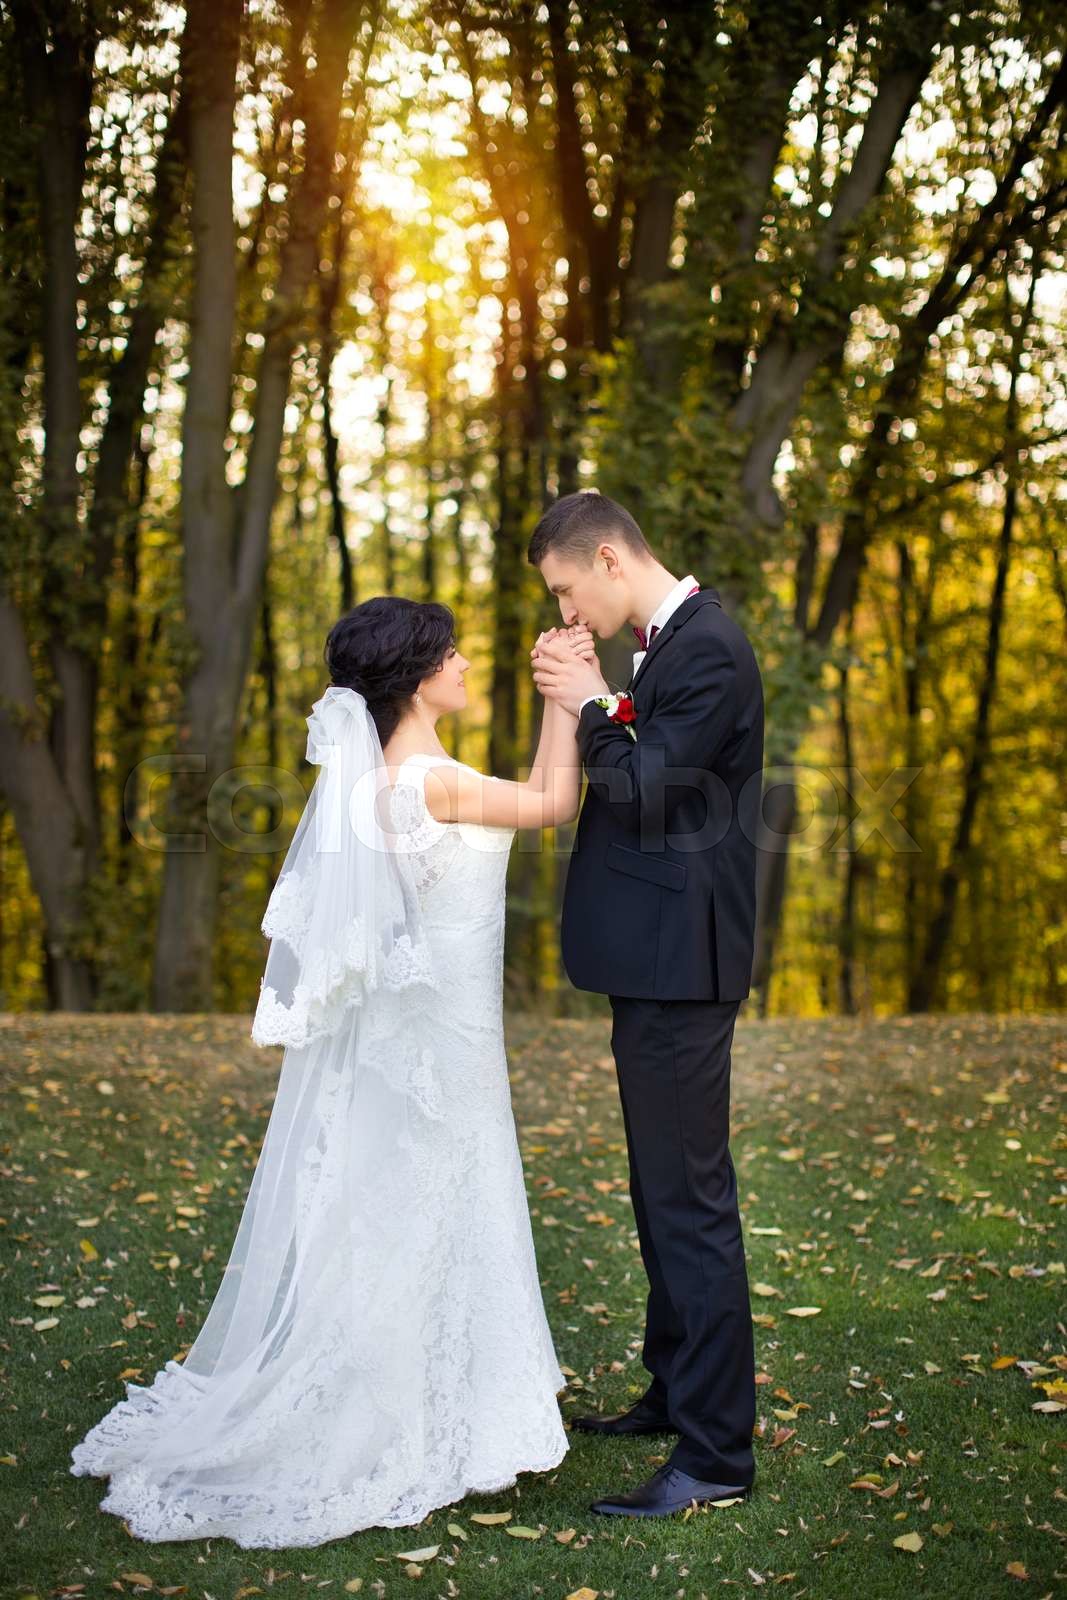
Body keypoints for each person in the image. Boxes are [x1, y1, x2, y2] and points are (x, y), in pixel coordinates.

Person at [69, 595, 587, 1547]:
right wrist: (562, 696)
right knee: (435, 1200)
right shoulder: (429, 780)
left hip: (426, 1030)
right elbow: (555, 802)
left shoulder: (371, 784)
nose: (468, 662)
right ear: (417, 677)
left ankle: (437, 1391)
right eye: (453, 652)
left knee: (402, 1204)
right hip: (446, 1038)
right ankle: (429, 1412)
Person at [529, 490, 765, 1519]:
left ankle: (714, 1452)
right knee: (656, 1192)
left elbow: (644, 789)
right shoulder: (669, 647)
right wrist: (604, 698)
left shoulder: (708, 647)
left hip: (682, 965)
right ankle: (673, 1392)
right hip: (654, 960)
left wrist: (586, 700)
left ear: (611, 560)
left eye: (566, 587)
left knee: (688, 1206)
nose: (567, 612)